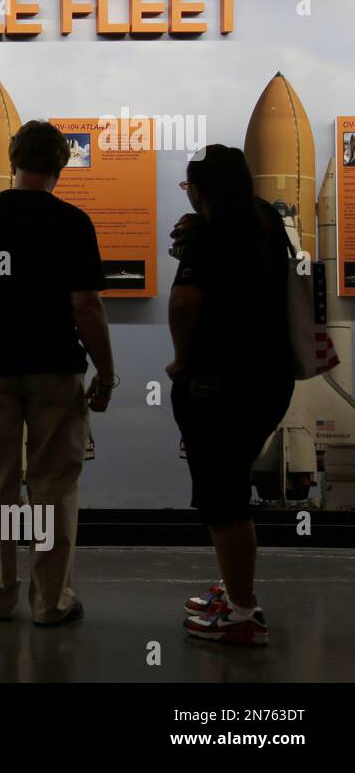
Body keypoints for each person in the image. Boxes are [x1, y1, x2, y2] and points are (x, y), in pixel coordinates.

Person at [0, 119, 115, 625]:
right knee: (55, 484)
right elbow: (88, 307)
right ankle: (51, 602)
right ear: (61, 164)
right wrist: (106, 371)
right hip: (56, 370)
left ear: (12, 161)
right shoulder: (74, 222)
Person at [169, 144, 292, 646]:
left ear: (200, 188)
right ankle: (236, 587)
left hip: (218, 383)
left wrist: (180, 359)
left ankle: (242, 615)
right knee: (231, 488)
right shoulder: (265, 221)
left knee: (223, 501)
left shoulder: (211, 235)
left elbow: (184, 302)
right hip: (270, 378)